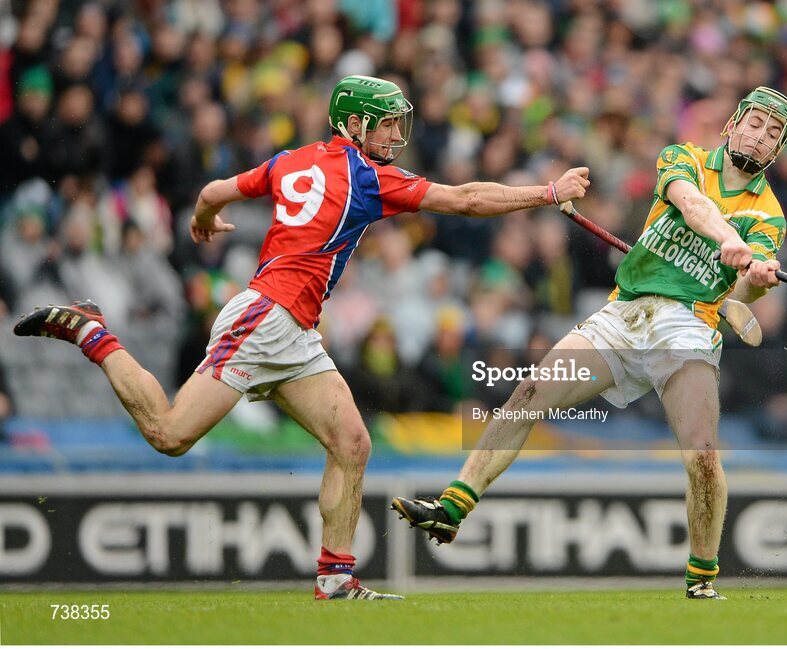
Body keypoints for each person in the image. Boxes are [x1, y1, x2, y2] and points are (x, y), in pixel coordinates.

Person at [13, 75, 590, 601]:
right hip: (265, 320)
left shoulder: (291, 160)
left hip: (295, 332)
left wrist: (201, 219)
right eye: (386, 123)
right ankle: (91, 331)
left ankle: (336, 578)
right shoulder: (366, 177)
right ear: (355, 123)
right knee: (169, 434)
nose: (395, 135)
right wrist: (546, 193)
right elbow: (464, 200)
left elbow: (216, 189)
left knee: (352, 443)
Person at [392, 87, 787, 601]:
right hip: (626, 311)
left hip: (689, 324)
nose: (760, 136)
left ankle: (701, 577)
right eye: (755, 123)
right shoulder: (685, 158)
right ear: (733, 123)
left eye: (773, 132)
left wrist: (757, 277)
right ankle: (452, 508)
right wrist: (729, 241)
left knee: (703, 455)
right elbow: (691, 204)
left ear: (777, 149)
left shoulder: (769, 215)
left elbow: (742, 293)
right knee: (528, 395)